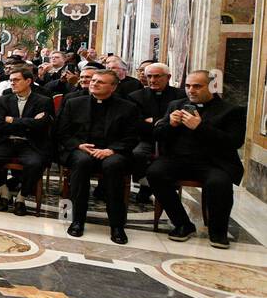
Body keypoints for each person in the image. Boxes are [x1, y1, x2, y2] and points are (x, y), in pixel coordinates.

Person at [148, 70, 246, 249]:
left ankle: (218, 232)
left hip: (212, 163)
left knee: (219, 183)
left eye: (197, 86)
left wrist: (200, 127)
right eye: (187, 86)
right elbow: (156, 135)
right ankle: (182, 223)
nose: (191, 90)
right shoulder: (176, 105)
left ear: (211, 87)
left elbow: (233, 143)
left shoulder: (231, 111)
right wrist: (170, 124)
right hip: (177, 160)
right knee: (155, 173)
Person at [56, 70, 138, 244]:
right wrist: (78, 145)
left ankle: (117, 225)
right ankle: (77, 220)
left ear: (113, 87)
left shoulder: (127, 107)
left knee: (113, 165)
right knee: (82, 161)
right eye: (93, 80)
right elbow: (62, 132)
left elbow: (132, 137)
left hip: (113, 152)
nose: (94, 84)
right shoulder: (74, 103)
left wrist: (112, 150)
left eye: (100, 82)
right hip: (81, 150)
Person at [0, 65, 53, 215]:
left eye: (16, 80)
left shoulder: (43, 101)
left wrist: (13, 121)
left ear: (28, 81)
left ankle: (21, 198)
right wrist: (29, 122)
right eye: (10, 80)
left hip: (31, 142)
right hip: (7, 140)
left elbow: (41, 126)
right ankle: (5, 193)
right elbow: (0, 125)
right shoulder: (4, 100)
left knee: (35, 163)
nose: (12, 83)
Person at [128, 62, 184, 205]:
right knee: (138, 153)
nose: (152, 80)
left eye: (157, 76)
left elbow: (182, 123)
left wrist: (155, 120)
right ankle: (145, 186)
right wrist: (165, 121)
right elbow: (137, 124)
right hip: (147, 139)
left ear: (168, 77)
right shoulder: (135, 96)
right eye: (149, 76)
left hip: (173, 139)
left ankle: (167, 188)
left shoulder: (181, 95)